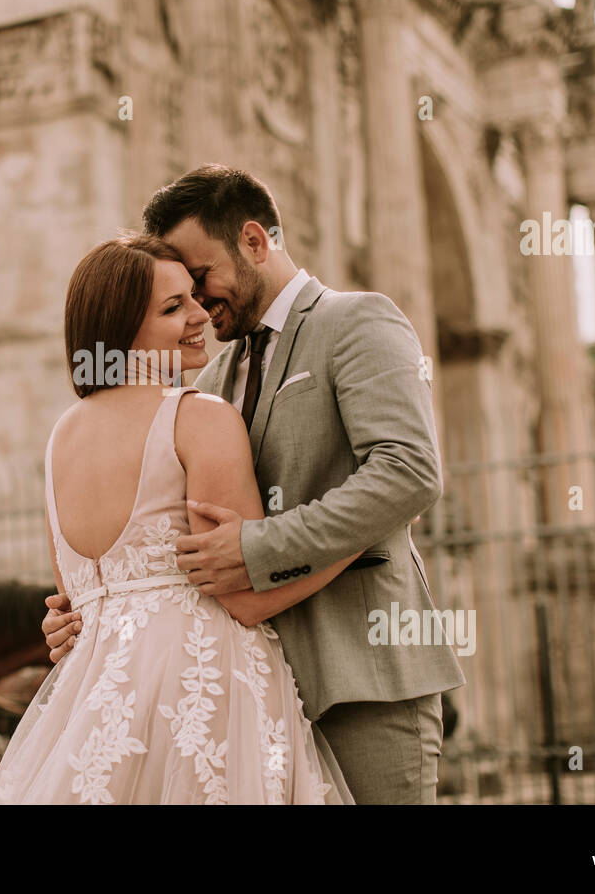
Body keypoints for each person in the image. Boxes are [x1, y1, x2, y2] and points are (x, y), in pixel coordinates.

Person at [43, 166, 466, 803]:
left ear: (253, 241)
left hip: (360, 678)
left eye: (201, 277)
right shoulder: (204, 386)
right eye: (177, 291)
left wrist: (259, 549)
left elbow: (407, 470)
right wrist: (93, 612)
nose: (197, 302)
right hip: (243, 694)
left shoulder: (357, 323)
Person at [0, 234, 357, 804]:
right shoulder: (200, 419)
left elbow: (75, 605)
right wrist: (359, 536)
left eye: (192, 297)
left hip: (93, 704)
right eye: (172, 308)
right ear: (121, 329)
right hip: (201, 691)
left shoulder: (61, 436)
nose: (198, 315)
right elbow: (245, 597)